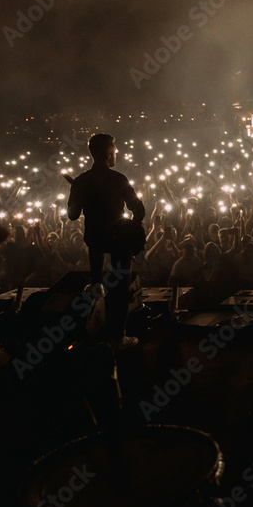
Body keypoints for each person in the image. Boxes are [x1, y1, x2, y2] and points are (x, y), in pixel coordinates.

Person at [67, 133, 146, 350]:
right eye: (114, 150)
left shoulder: (82, 181)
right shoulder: (118, 178)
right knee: (120, 286)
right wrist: (134, 226)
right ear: (108, 152)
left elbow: (73, 215)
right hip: (118, 238)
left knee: (97, 284)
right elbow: (138, 209)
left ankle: (94, 328)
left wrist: (77, 195)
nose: (116, 155)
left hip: (95, 239)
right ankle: (118, 337)